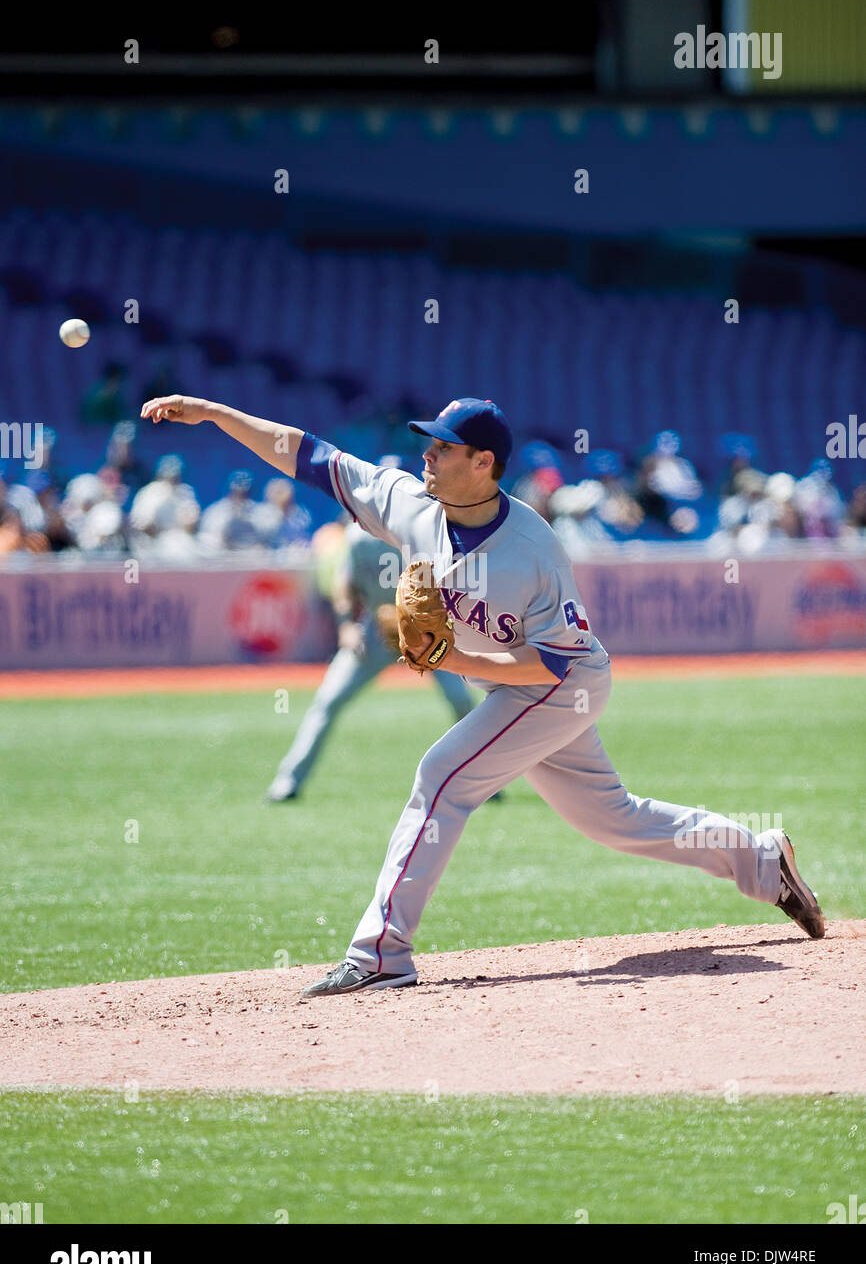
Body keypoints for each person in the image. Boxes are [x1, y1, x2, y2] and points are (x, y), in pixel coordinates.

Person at [141, 392, 826, 997]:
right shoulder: (412, 505)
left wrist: (458, 655)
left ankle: (380, 953)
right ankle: (761, 860)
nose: (427, 457)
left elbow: (556, 666)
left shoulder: (531, 549)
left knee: (443, 775)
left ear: (484, 464)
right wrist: (213, 414)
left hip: (562, 683)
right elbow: (309, 456)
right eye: (428, 444)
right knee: (612, 819)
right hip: (513, 681)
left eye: (444, 447)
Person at [264, 514, 476, 802]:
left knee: (462, 701)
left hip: (427, 632)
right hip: (375, 631)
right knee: (328, 700)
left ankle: (485, 782)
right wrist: (347, 625)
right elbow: (345, 585)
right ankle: (287, 783)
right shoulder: (358, 537)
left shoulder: (424, 532)